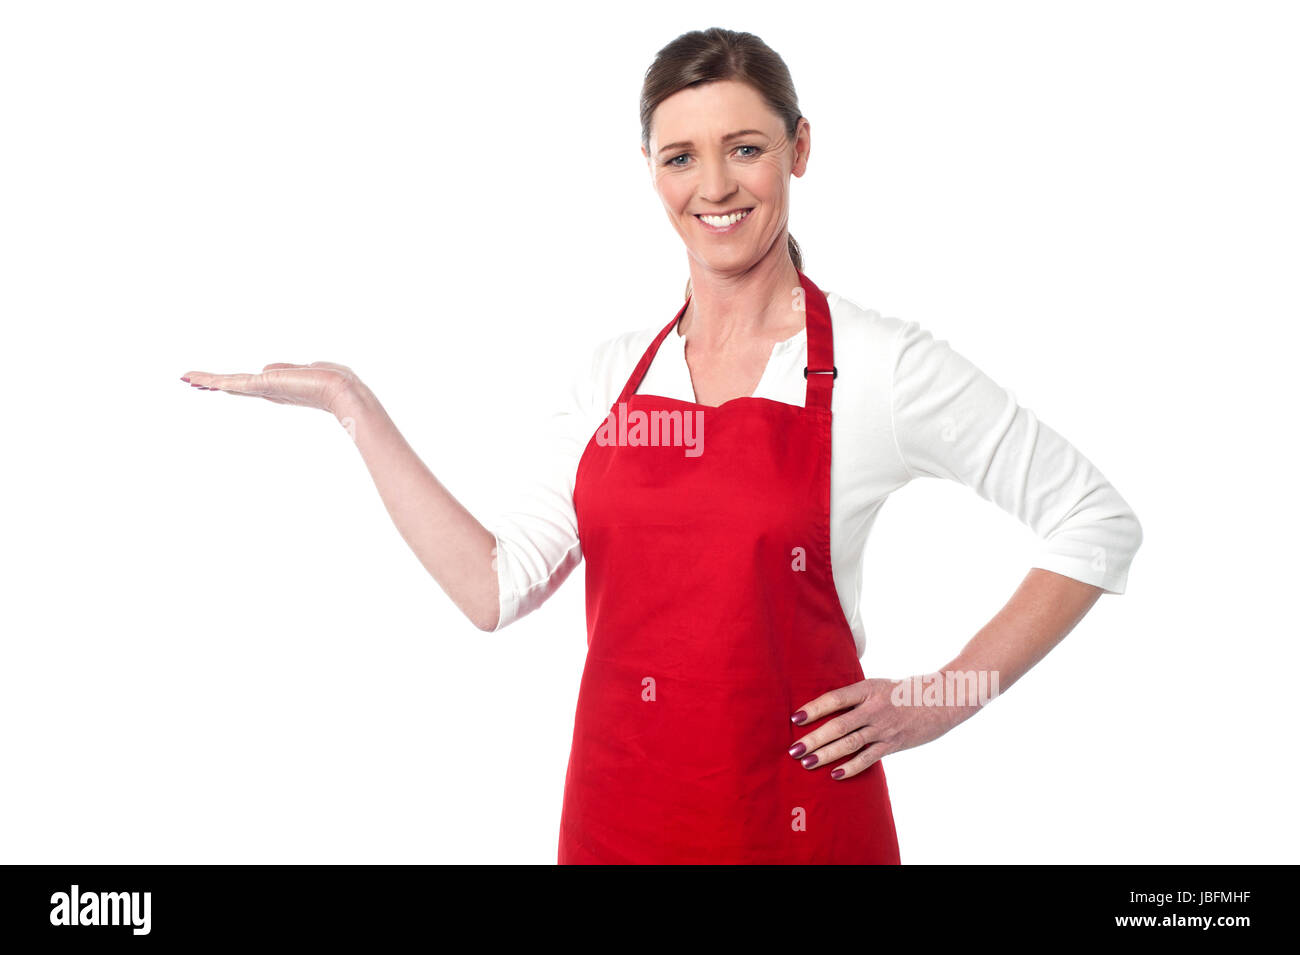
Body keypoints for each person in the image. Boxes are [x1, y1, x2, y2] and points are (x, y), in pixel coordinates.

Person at [180, 27, 1143, 865]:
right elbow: (496, 586)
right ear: (648, 168)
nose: (715, 186)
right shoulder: (610, 377)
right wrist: (353, 405)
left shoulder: (880, 368)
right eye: (680, 156)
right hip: (616, 825)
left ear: (799, 150)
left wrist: (944, 696)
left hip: (800, 824)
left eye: (746, 147)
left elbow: (1093, 522)